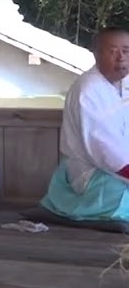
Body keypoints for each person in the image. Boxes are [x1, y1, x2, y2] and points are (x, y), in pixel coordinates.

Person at [39, 26, 129, 222]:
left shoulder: (126, 83)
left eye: (126, 51)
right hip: (94, 173)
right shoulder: (88, 90)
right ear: (96, 54)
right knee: (120, 196)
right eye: (113, 51)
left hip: (122, 169)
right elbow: (104, 149)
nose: (121, 58)